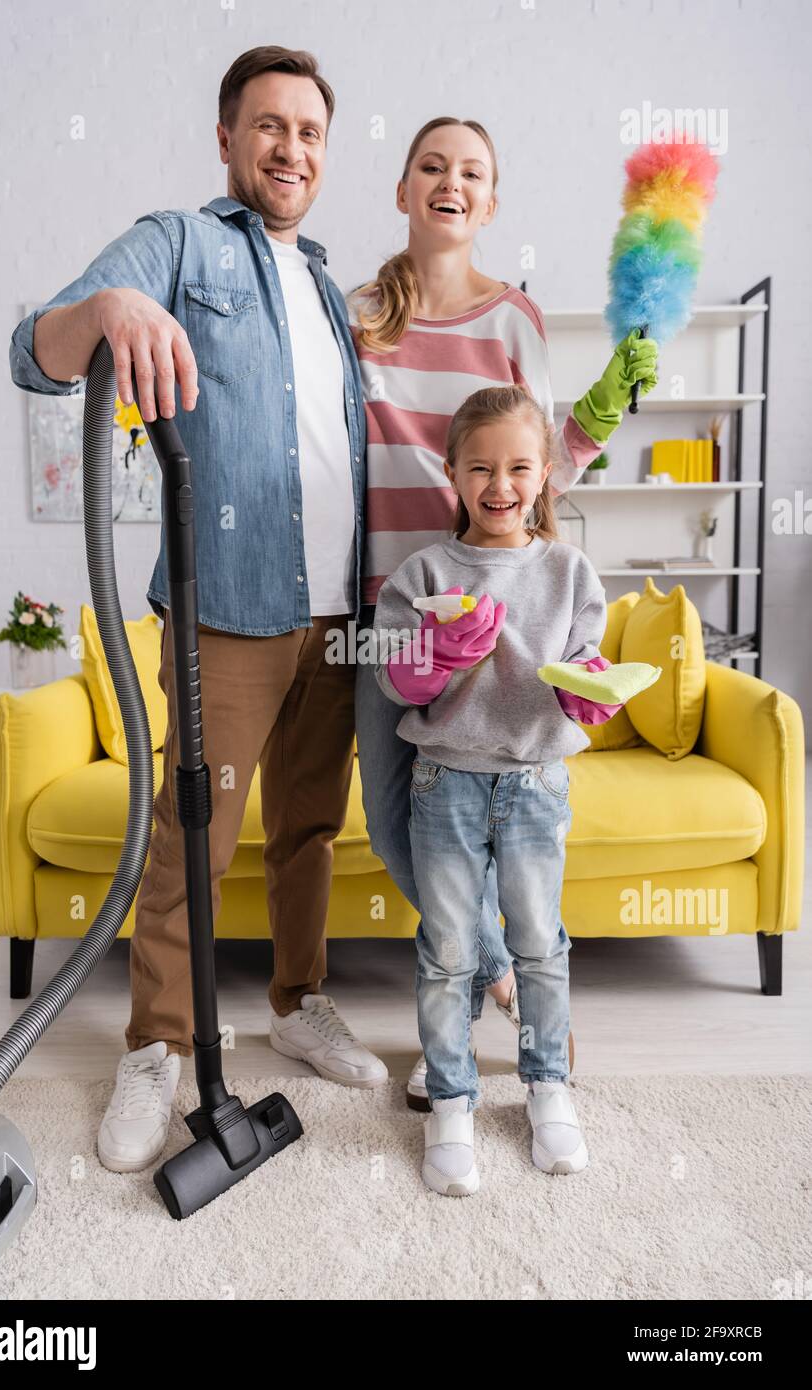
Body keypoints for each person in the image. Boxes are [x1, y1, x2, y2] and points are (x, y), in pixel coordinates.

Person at [9, 46, 389, 1175]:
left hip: (339, 607)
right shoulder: (179, 242)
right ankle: (158, 1043)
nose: (292, 148)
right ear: (228, 140)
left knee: (310, 826)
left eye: (311, 132)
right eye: (269, 126)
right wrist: (113, 304)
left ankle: (297, 1001)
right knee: (192, 836)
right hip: (227, 603)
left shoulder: (328, 285)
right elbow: (35, 349)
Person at [346, 117, 657, 1107]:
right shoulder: (354, 313)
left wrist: (594, 424)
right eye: (432, 165)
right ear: (403, 188)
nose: (450, 181)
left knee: (481, 829)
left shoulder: (514, 318)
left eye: (471, 172)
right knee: (401, 829)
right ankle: (500, 972)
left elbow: (529, 468)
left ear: (489, 203)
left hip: (501, 608)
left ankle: (497, 992)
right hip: (389, 606)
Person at [372, 384, 628, 1194]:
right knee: (446, 954)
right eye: (479, 467)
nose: (499, 484)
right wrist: (434, 657)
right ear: (450, 471)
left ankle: (547, 1091)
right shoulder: (422, 570)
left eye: (519, 467)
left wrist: (590, 688)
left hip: (534, 784)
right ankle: (452, 1103)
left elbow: (588, 663)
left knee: (539, 947)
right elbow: (395, 681)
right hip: (442, 784)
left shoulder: (566, 568)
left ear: (545, 472)